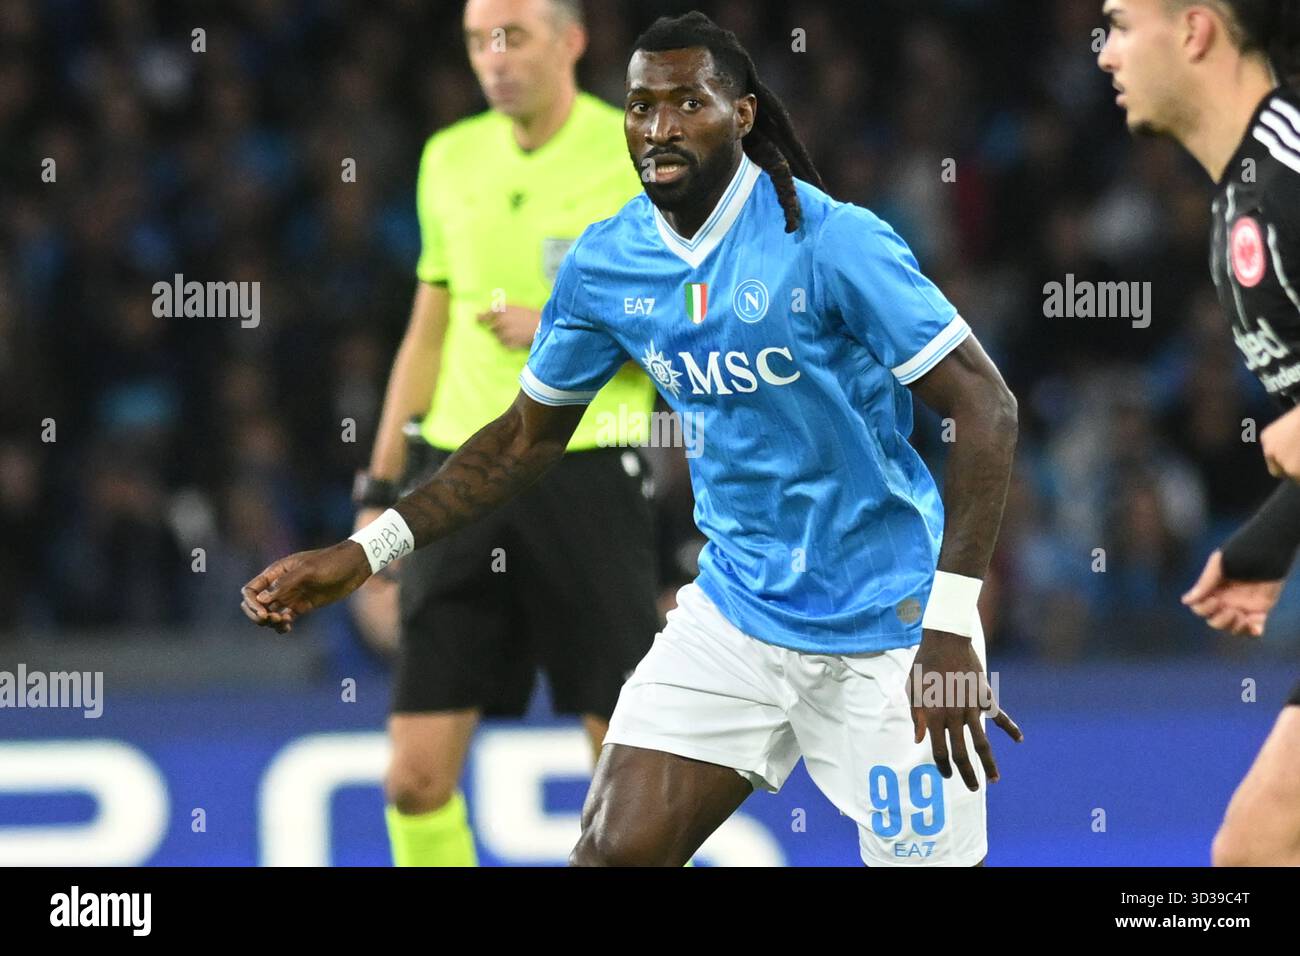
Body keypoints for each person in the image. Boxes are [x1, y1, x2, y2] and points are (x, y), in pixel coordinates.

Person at [243, 10, 1023, 867]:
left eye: (689, 103)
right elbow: (518, 442)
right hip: (738, 617)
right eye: (641, 106)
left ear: (745, 114)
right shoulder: (608, 264)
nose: (659, 128)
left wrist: (951, 626)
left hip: (890, 628)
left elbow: (985, 408)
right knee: (610, 855)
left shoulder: (833, 243)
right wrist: (366, 549)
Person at [351, 0, 658, 866]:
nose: (494, 57)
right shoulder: (447, 158)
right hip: (459, 472)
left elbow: (691, 316)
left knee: (625, 770)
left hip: (588, 462)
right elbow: (427, 326)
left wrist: (568, 322)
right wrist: (379, 488)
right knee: (413, 778)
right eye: (478, 40)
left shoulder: (630, 152)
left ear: (572, 41)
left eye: (514, 36)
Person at [1098, 0, 1300, 865]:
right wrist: (1270, 540)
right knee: (1254, 851)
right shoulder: (1239, 202)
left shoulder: (1290, 166)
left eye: (1120, 25)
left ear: (1194, 29)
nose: (1104, 53)